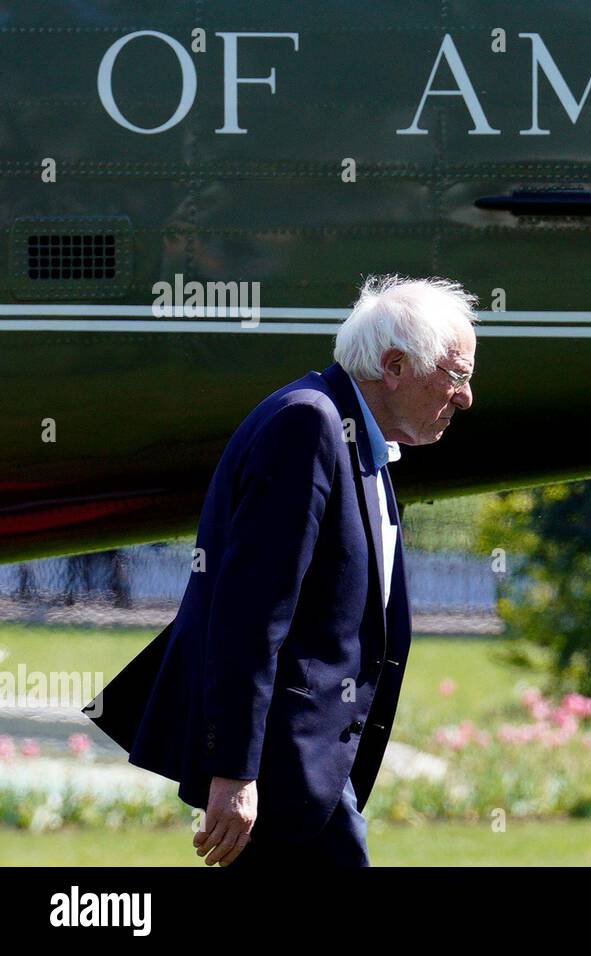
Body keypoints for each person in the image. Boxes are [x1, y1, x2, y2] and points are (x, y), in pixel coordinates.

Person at [97, 274, 476, 867]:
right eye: (456, 376)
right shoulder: (309, 425)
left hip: (310, 772)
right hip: (282, 773)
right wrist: (233, 772)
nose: (464, 397)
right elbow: (250, 615)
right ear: (396, 365)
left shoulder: (354, 438)